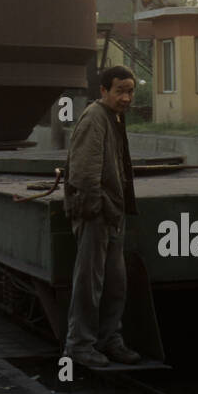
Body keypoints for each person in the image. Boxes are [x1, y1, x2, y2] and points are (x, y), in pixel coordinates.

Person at [62, 64, 141, 368]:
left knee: (114, 283)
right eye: (120, 91)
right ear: (104, 90)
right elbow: (84, 173)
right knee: (89, 283)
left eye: (131, 91)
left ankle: (110, 340)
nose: (126, 97)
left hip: (112, 214)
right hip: (97, 216)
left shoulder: (113, 118)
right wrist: (96, 211)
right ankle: (79, 346)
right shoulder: (94, 118)